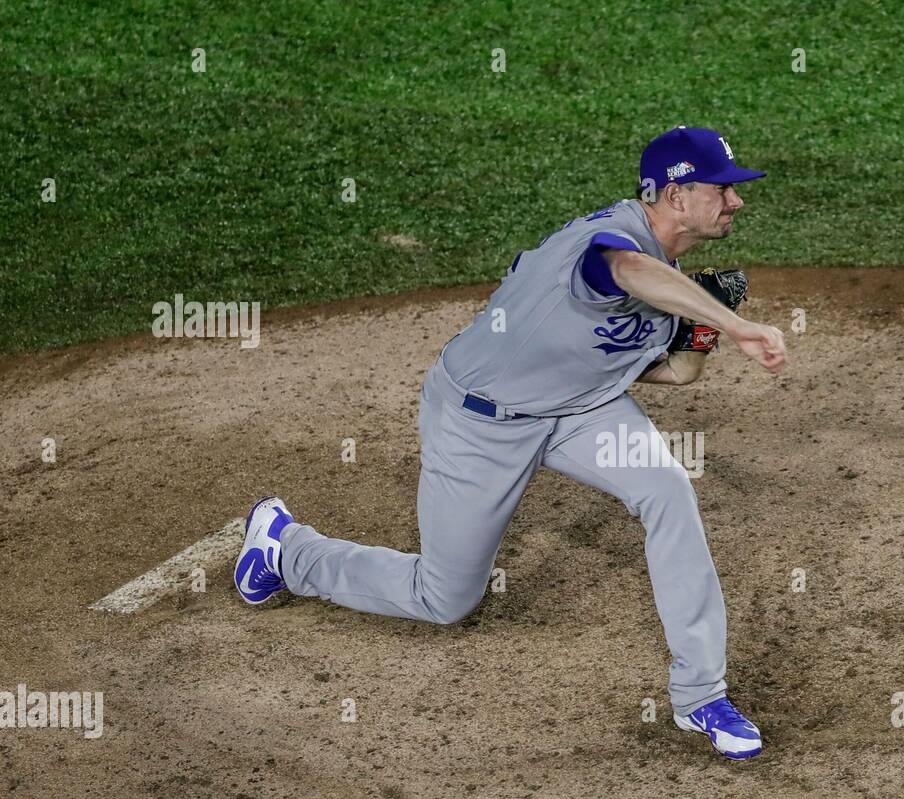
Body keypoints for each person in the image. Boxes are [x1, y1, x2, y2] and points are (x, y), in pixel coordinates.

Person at [235, 126, 787, 759]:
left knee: (667, 491)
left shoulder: (671, 280)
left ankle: (702, 695)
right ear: (675, 194)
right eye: (723, 189)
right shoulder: (608, 243)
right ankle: (286, 550)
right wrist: (737, 323)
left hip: (582, 412)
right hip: (482, 422)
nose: (737, 201)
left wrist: (698, 339)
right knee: (443, 599)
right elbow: (627, 271)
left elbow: (667, 372)